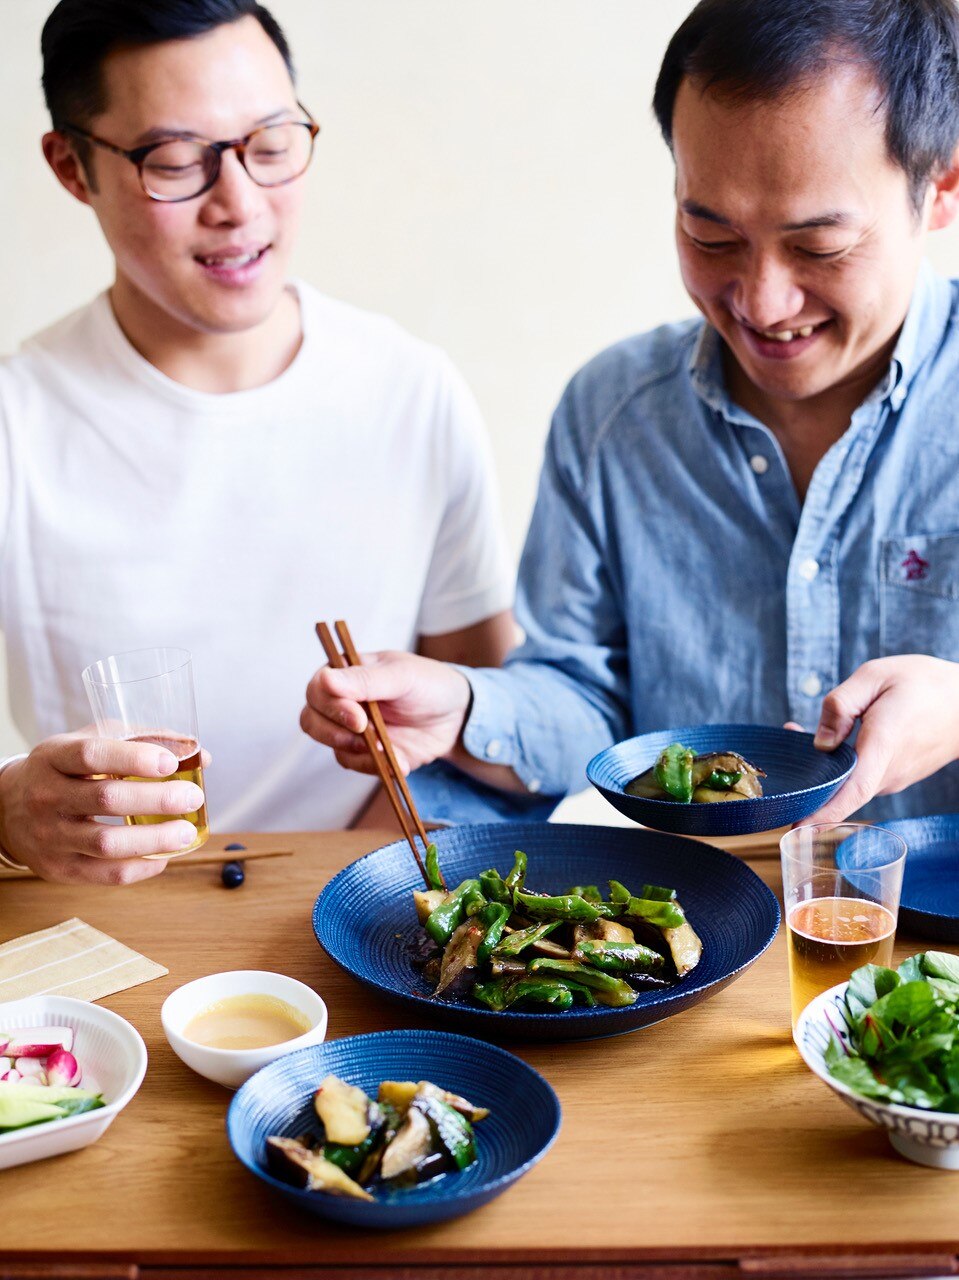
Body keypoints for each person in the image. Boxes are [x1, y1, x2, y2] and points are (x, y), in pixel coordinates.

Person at [303, 0, 959, 827]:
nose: (761, 301)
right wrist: (465, 709)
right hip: (698, 933)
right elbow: (587, 701)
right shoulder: (612, 415)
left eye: (817, 246)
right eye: (709, 235)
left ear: (938, 187)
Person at [0, 0, 515, 884]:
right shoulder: (18, 420)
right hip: (112, 918)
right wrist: (6, 814)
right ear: (72, 166)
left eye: (271, 146)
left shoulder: (410, 390)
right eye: (173, 163)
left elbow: (492, 711)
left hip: (361, 898)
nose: (238, 206)